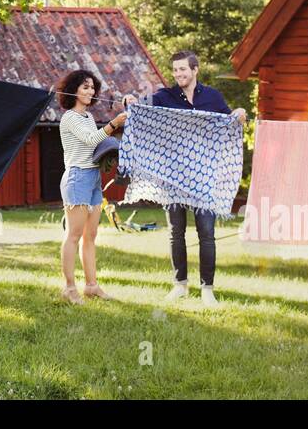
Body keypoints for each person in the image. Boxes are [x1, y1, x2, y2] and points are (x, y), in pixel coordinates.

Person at [128, 50, 245, 308]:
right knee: (176, 232)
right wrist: (130, 100)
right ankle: (180, 285)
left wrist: (239, 111)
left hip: (204, 176)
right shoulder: (165, 97)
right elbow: (140, 105)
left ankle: (207, 289)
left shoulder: (212, 97)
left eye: (183, 69)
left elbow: (228, 120)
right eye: (176, 70)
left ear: (195, 70)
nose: (179, 74)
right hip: (173, 175)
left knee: (207, 232)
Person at [56, 69, 128, 304]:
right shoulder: (70, 117)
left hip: (94, 177)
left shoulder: (87, 117)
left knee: (91, 235)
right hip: (77, 178)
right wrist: (114, 124)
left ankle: (91, 286)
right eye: (85, 87)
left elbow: (95, 141)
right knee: (74, 235)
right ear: (73, 90)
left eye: (92, 87)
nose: (91, 91)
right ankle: (69, 288)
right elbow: (90, 139)